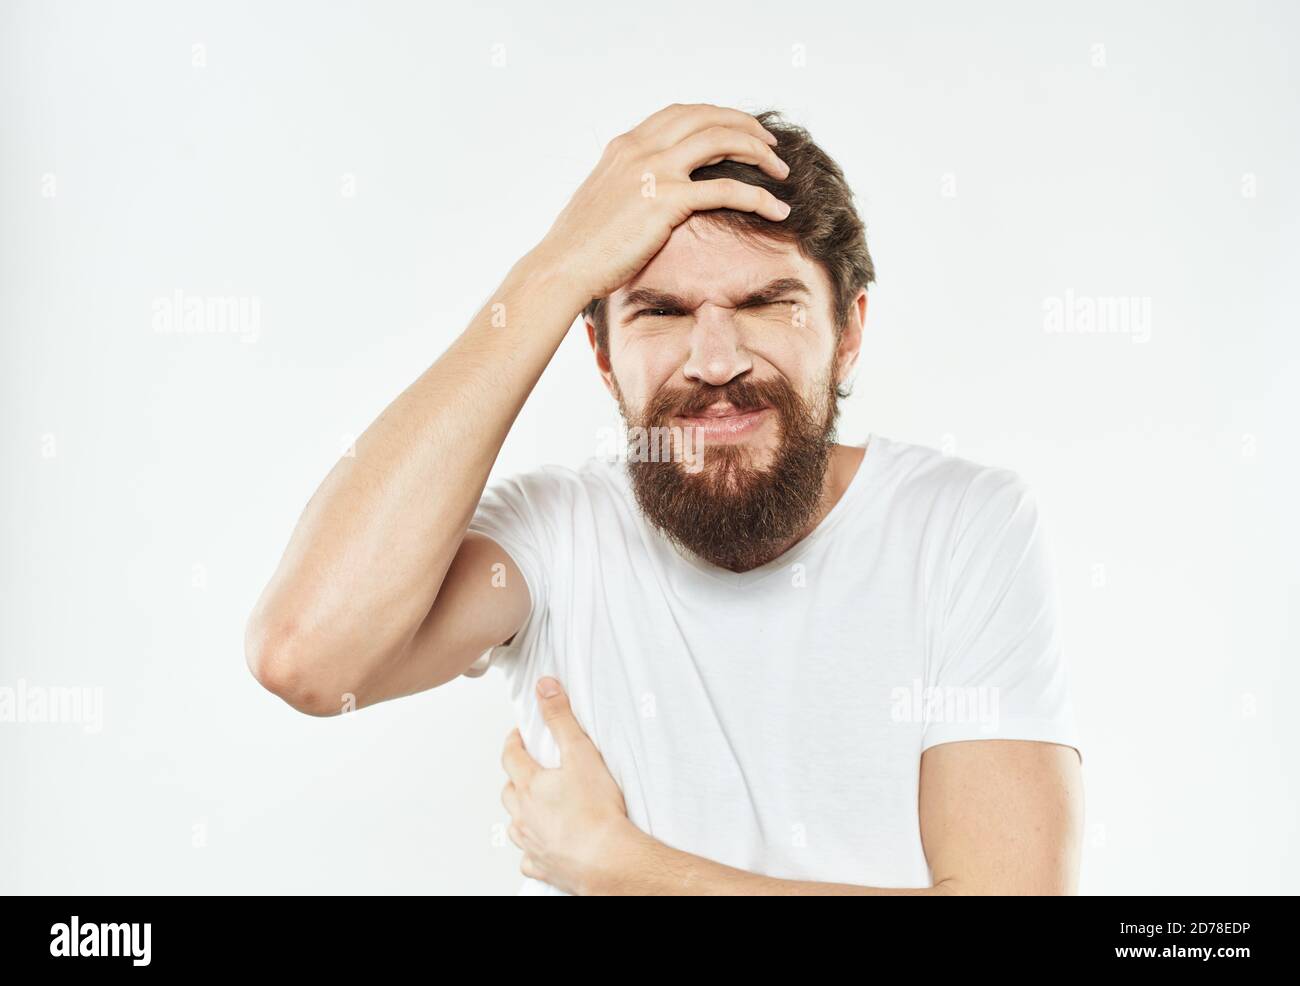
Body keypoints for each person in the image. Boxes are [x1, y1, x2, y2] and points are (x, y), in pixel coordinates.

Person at [245, 102, 1084, 896]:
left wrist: (631, 872)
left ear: (849, 333)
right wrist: (555, 267)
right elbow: (302, 655)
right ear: (603, 360)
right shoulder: (552, 540)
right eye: (659, 312)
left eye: (765, 303)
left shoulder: (962, 527)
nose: (715, 361)